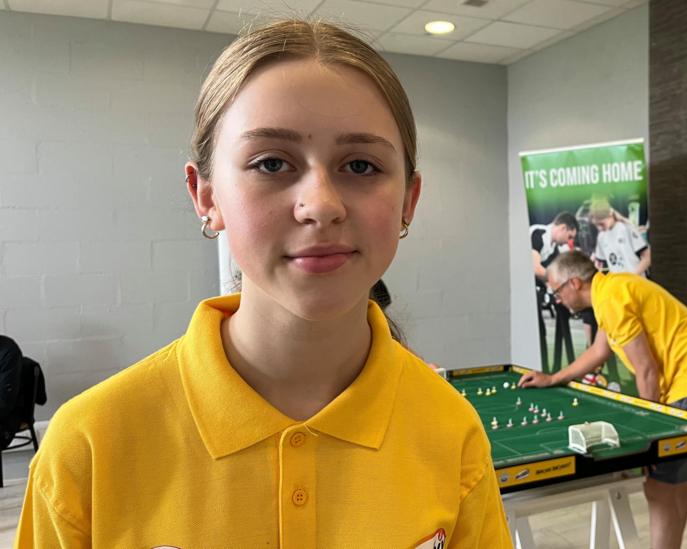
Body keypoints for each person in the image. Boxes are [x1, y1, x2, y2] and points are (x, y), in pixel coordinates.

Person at [17, 20, 509, 547]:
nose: (321, 204)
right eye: (271, 162)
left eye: (361, 165)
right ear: (205, 195)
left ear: (408, 200)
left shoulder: (451, 431)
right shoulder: (89, 446)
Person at [518, 251, 687, 549]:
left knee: (658, 485)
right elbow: (599, 351)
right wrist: (553, 378)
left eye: (557, 291)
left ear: (574, 283)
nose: (557, 299)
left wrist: (650, 440)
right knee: (673, 481)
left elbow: (646, 372)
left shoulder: (611, 298)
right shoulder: (611, 289)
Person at [529, 212, 578, 371]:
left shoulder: (555, 249)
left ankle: (557, 368)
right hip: (522, 285)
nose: (569, 241)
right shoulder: (538, 233)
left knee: (561, 309)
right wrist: (557, 284)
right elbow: (536, 269)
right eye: (569, 236)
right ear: (563, 228)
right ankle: (541, 370)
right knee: (538, 329)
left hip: (536, 286)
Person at [589, 199, 651, 275]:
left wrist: (634, 276)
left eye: (601, 224)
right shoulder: (601, 237)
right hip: (618, 283)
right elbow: (599, 263)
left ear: (610, 214)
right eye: (596, 225)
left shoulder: (627, 228)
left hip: (636, 281)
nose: (599, 228)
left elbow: (647, 257)